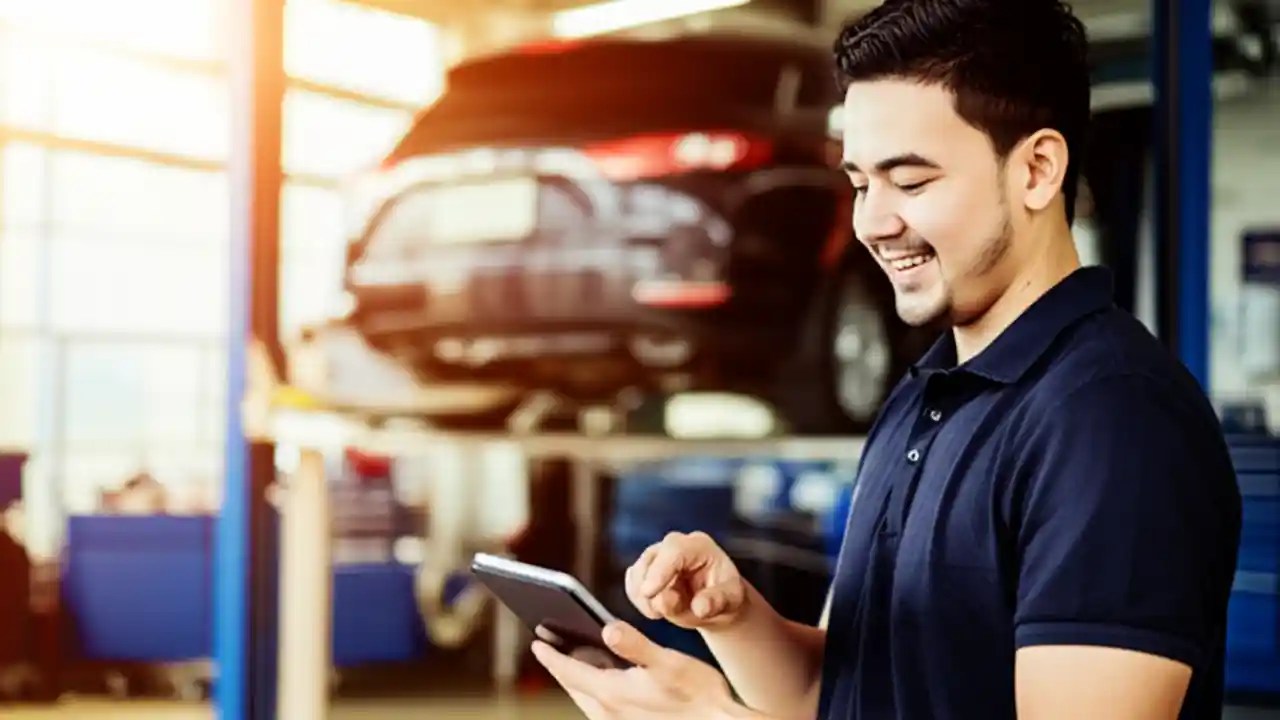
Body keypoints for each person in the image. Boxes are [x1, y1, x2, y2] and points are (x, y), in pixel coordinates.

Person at [530, 1, 1243, 718]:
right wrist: (736, 618)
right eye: (862, 183)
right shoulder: (922, 399)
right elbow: (836, 692)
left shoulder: (1111, 418)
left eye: (911, 181)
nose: (871, 222)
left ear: (1036, 169)